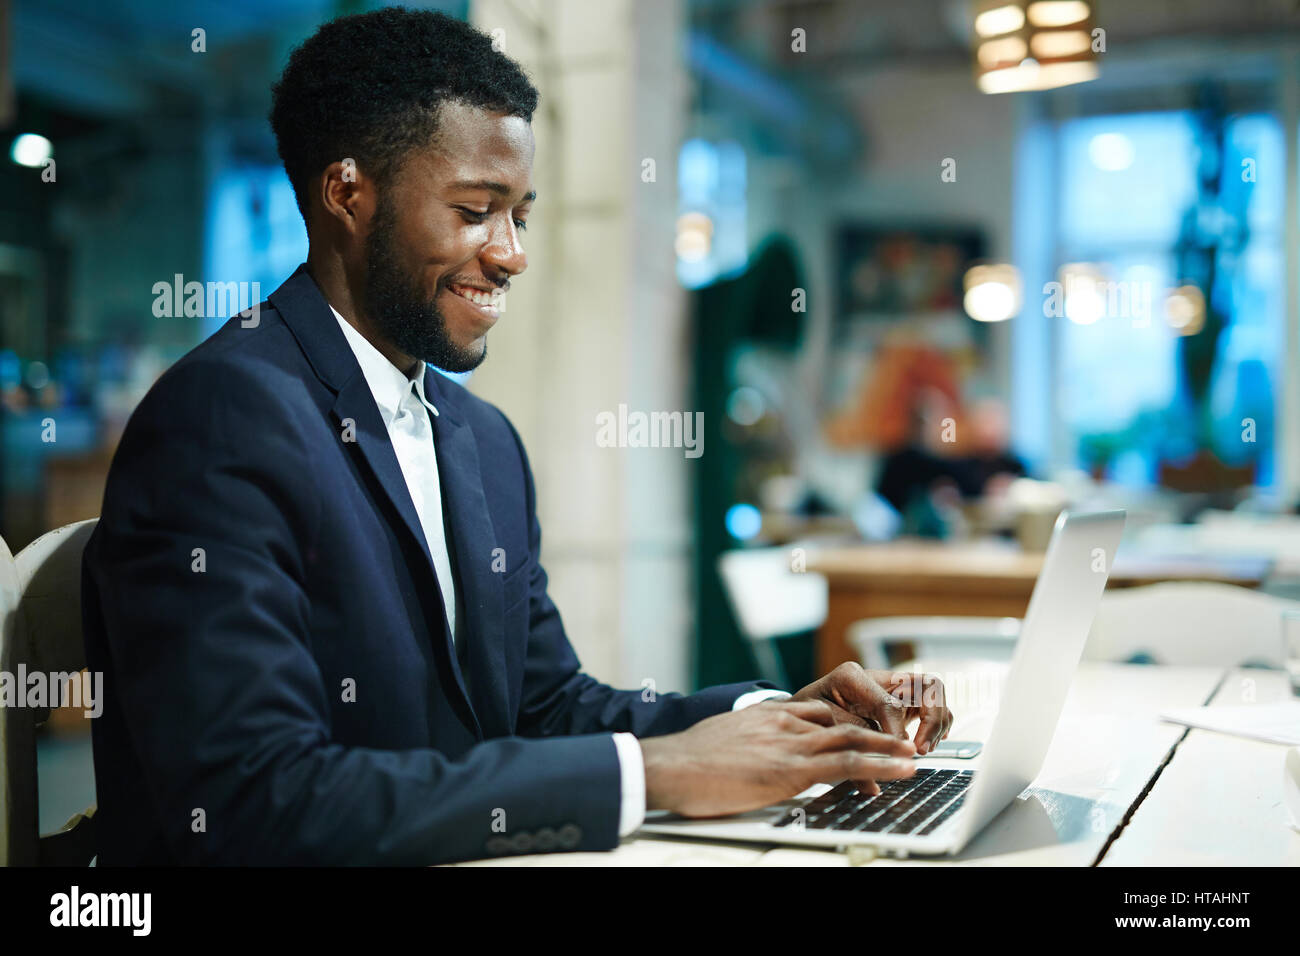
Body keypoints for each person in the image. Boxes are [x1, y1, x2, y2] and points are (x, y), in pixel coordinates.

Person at [82, 8, 951, 865]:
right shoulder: (219, 418)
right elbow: (251, 800)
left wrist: (778, 719)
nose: (511, 253)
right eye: (473, 209)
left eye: (520, 215)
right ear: (346, 194)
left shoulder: (481, 438)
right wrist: (648, 775)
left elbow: (547, 706)